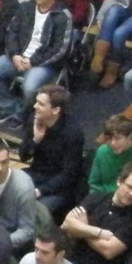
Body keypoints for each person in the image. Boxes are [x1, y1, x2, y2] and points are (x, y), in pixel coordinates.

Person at [0, 0, 71, 122]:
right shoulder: (25, 7)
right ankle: (9, 107)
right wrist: (14, 55)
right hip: (18, 56)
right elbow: (12, 32)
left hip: (42, 63)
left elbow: (60, 49)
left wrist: (33, 61)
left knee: (29, 88)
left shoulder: (62, 16)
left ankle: (21, 115)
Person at [19, 86, 84, 221]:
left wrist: (40, 190)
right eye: (36, 101)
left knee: (36, 212)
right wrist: (35, 140)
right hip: (36, 174)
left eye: (41, 104)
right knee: (7, 189)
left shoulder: (73, 134)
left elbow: (69, 175)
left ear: (55, 110)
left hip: (59, 187)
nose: (35, 106)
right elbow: (23, 156)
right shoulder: (34, 120)